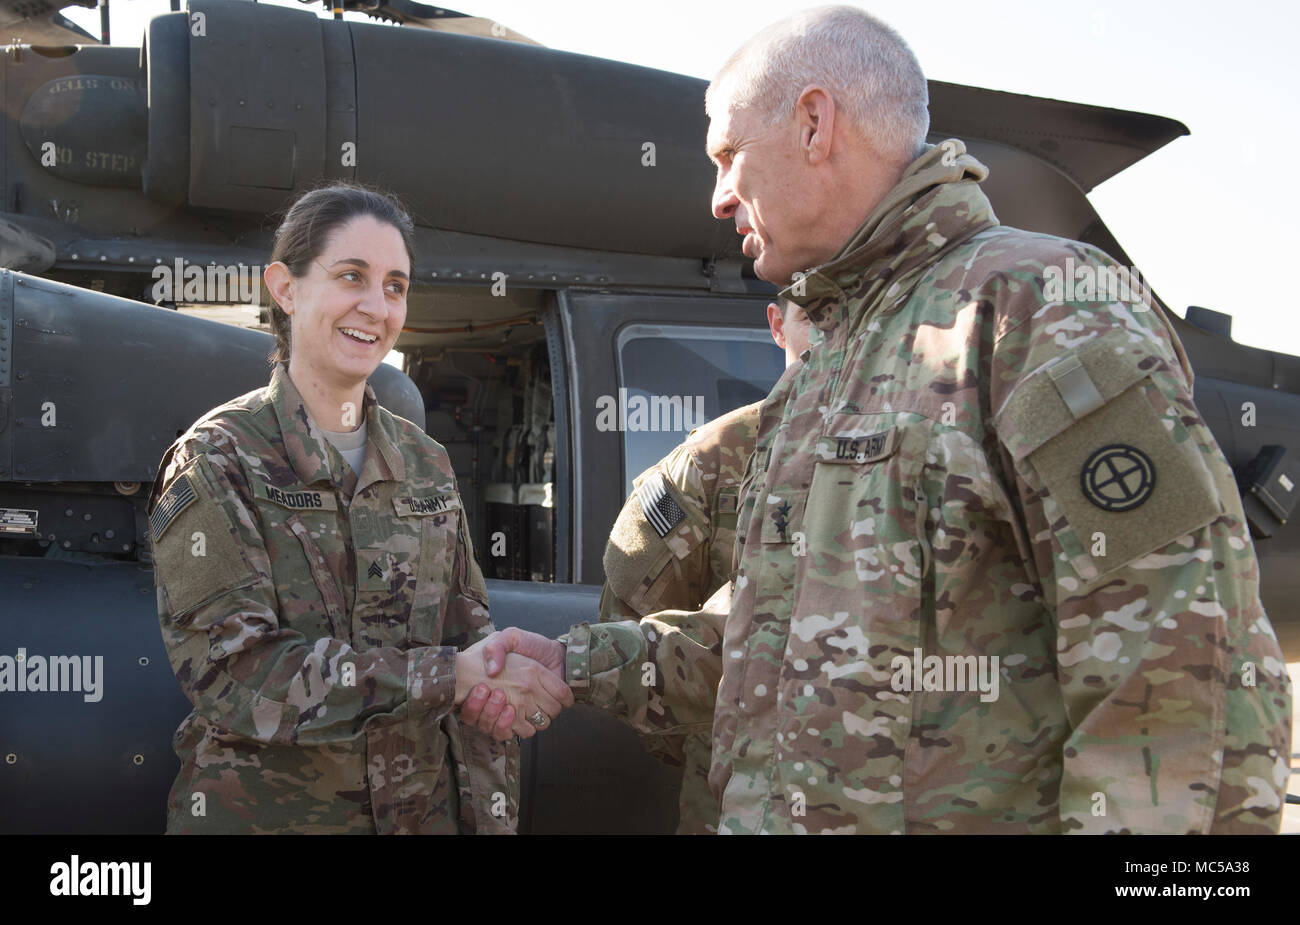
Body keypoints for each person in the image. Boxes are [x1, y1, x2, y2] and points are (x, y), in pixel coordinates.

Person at [473, 6, 1292, 834]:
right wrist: (577, 659)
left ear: (815, 123)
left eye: (728, 155)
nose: (719, 196)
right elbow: (778, 635)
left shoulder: (1034, 309)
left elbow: (1185, 663)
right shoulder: (823, 371)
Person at [149, 183, 572, 834]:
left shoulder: (423, 460)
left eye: (396, 286)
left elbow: (465, 631)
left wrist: (493, 677)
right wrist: (447, 677)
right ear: (286, 288)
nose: (376, 306)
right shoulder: (218, 459)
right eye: (352, 276)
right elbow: (237, 673)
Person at [597, 298, 811, 834]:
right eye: (815, 318)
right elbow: (628, 609)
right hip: (736, 795)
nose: (834, 337)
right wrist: (706, 736)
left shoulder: (924, 447)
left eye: (849, 317)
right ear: (778, 326)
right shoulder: (717, 459)